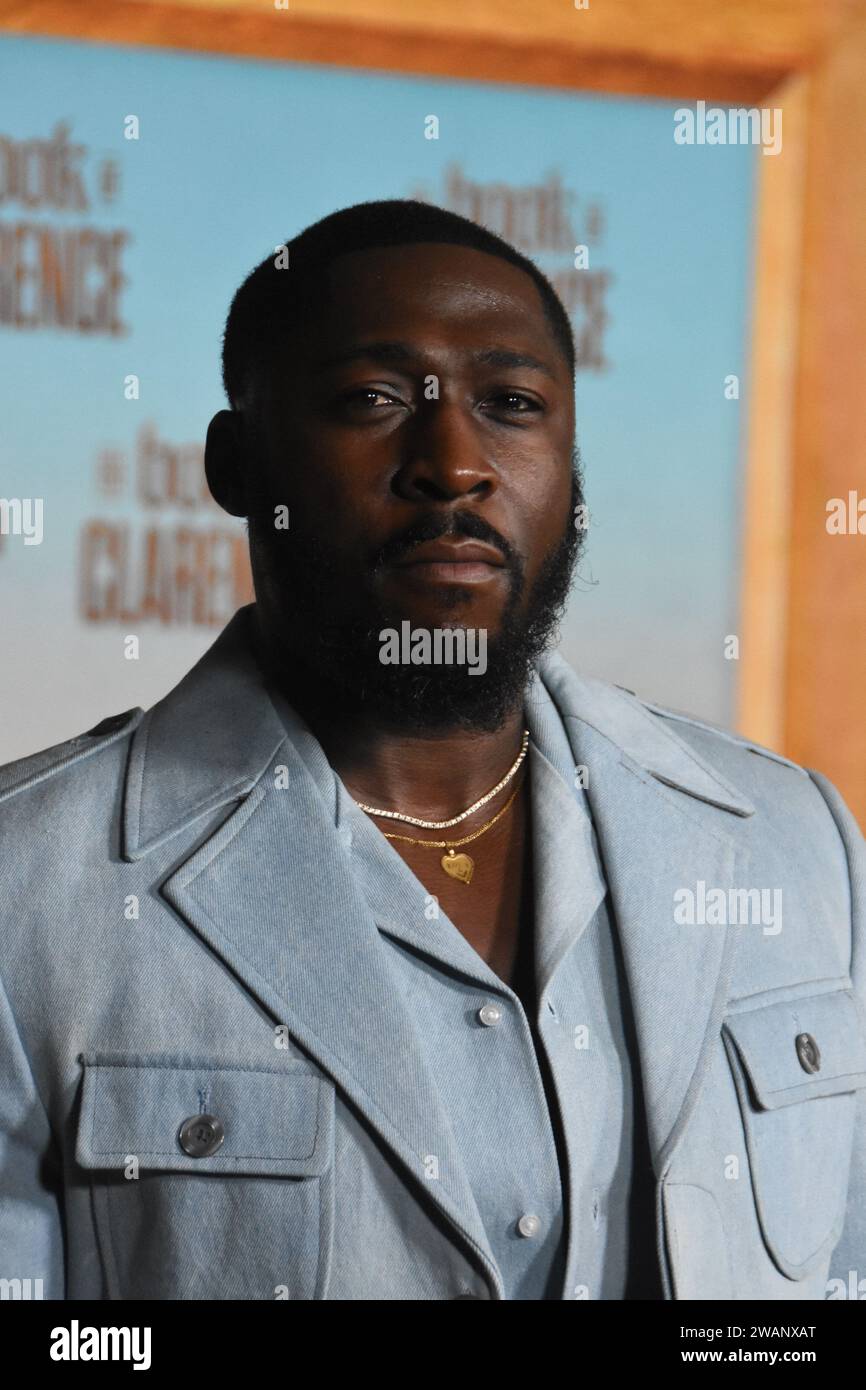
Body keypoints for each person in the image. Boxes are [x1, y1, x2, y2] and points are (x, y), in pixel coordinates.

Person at [1, 199, 865, 1301]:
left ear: (573, 474)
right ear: (232, 466)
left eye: (509, 403)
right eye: (371, 400)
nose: (452, 463)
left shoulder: (793, 845)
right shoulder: (27, 886)